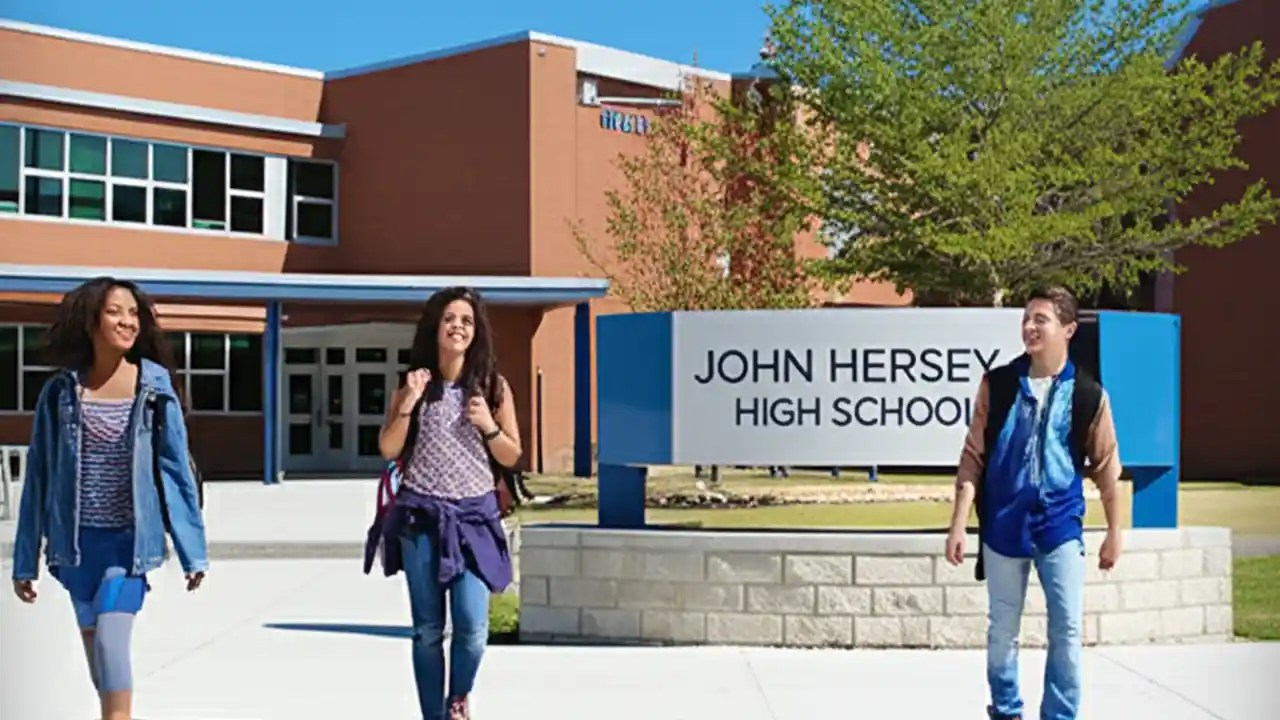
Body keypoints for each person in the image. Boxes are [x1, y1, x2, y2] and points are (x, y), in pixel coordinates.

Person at [11, 277, 209, 720]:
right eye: (115, 312)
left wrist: (192, 550)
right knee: (100, 669)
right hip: (75, 551)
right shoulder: (61, 394)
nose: (127, 321)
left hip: (127, 547)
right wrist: (26, 561)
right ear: (90, 322)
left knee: (110, 647)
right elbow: (39, 477)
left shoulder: (153, 388)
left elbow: (175, 470)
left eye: (134, 313)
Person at [944, 286, 1123, 720]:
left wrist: (1114, 532)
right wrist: (958, 523)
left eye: (1040, 319)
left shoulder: (1088, 395)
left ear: (1068, 329)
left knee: (1067, 629)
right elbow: (973, 457)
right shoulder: (999, 384)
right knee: (1002, 629)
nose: (1029, 327)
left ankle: (1059, 715)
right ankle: (1006, 711)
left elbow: (1107, 468)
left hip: (1060, 526)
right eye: (1026, 319)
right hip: (1003, 526)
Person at [372, 286, 520, 720]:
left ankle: (458, 697)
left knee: (472, 627)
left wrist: (489, 425)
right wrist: (407, 404)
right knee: (427, 630)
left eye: (467, 321)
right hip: (421, 518)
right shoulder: (413, 385)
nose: (458, 326)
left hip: (474, 519)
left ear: (476, 332)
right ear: (435, 327)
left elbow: (512, 454)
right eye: (450, 319)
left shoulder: (492, 386)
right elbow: (387, 448)